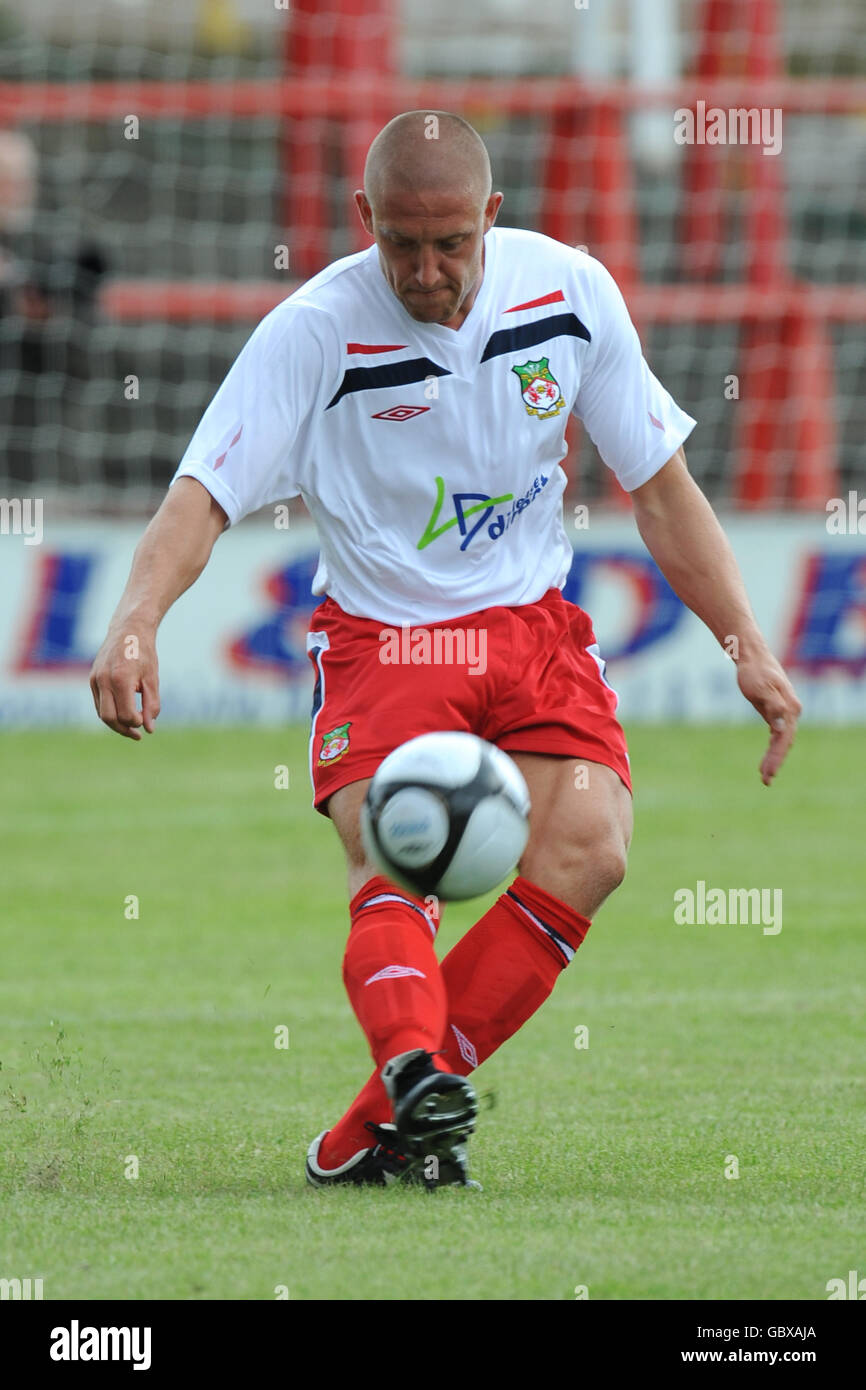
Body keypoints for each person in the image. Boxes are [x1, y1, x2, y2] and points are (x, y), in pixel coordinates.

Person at [89, 111, 801, 1190]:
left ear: (491, 220)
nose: (426, 271)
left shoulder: (568, 294)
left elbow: (659, 492)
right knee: (391, 853)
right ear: (365, 219)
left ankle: (387, 1118)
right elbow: (202, 498)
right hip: (383, 640)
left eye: (451, 245)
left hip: (528, 628)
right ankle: (418, 1073)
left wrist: (745, 643)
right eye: (402, 245)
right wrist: (136, 620)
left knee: (592, 847)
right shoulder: (314, 331)